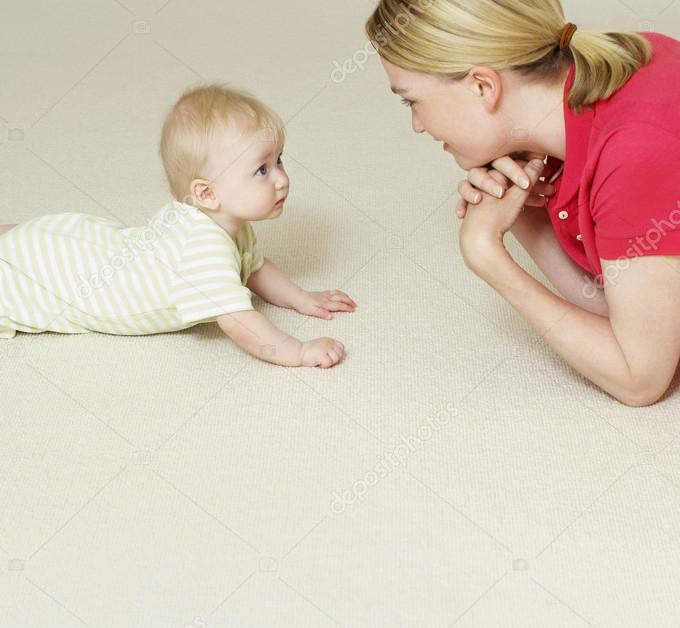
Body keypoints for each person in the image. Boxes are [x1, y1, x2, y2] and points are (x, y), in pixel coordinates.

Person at [366, 0, 680, 406]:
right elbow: (626, 315)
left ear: (483, 86)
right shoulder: (634, 57)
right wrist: (520, 210)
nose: (417, 125)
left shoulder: (634, 151)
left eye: (411, 101)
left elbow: (639, 378)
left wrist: (488, 257)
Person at [0, 85, 356, 369]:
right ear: (207, 193)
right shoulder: (203, 247)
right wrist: (298, 351)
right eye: (262, 170)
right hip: (78, 280)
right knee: (21, 277)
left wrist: (300, 298)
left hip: (90, 248)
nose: (281, 179)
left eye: (278, 160)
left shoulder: (227, 223)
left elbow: (254, 268)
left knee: (35, 242)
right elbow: (239, 321)